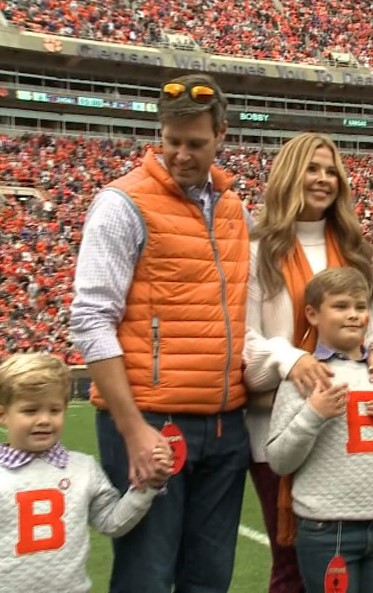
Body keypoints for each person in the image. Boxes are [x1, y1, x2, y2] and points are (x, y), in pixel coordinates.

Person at [69, 73, 252, 593]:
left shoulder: (236, 208)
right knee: (146, 577)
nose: (182, 155)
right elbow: (89, 318)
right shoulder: (121, 204)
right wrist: (132, 429)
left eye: (196, 144)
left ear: (221, 136)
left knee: (210, 579)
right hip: (151, 418)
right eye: (172, 143)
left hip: (224, 425)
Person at [243, 132, 373, 593]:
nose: (323, 178)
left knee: (348, 562)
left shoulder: (354, 250)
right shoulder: (259, 250)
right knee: (292, 564)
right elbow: (245, 339)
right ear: (289, 174)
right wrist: (291, 359)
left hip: (350, 427)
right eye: (312, 168)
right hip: (280, 422)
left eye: (331, 170)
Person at [266, 267, 373, 593]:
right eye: (341, 306)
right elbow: (279, 461)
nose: (354, 315)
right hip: (326, 526)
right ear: (313, 314)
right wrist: (314, 414)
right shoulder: (305, 375)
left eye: (360, 307)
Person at [0, 353, 171, 593]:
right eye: (30, 411)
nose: (44, 420)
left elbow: (111, 522)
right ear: (3, 415)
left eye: (54, 410)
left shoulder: (83, 468)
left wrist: (148, 485)